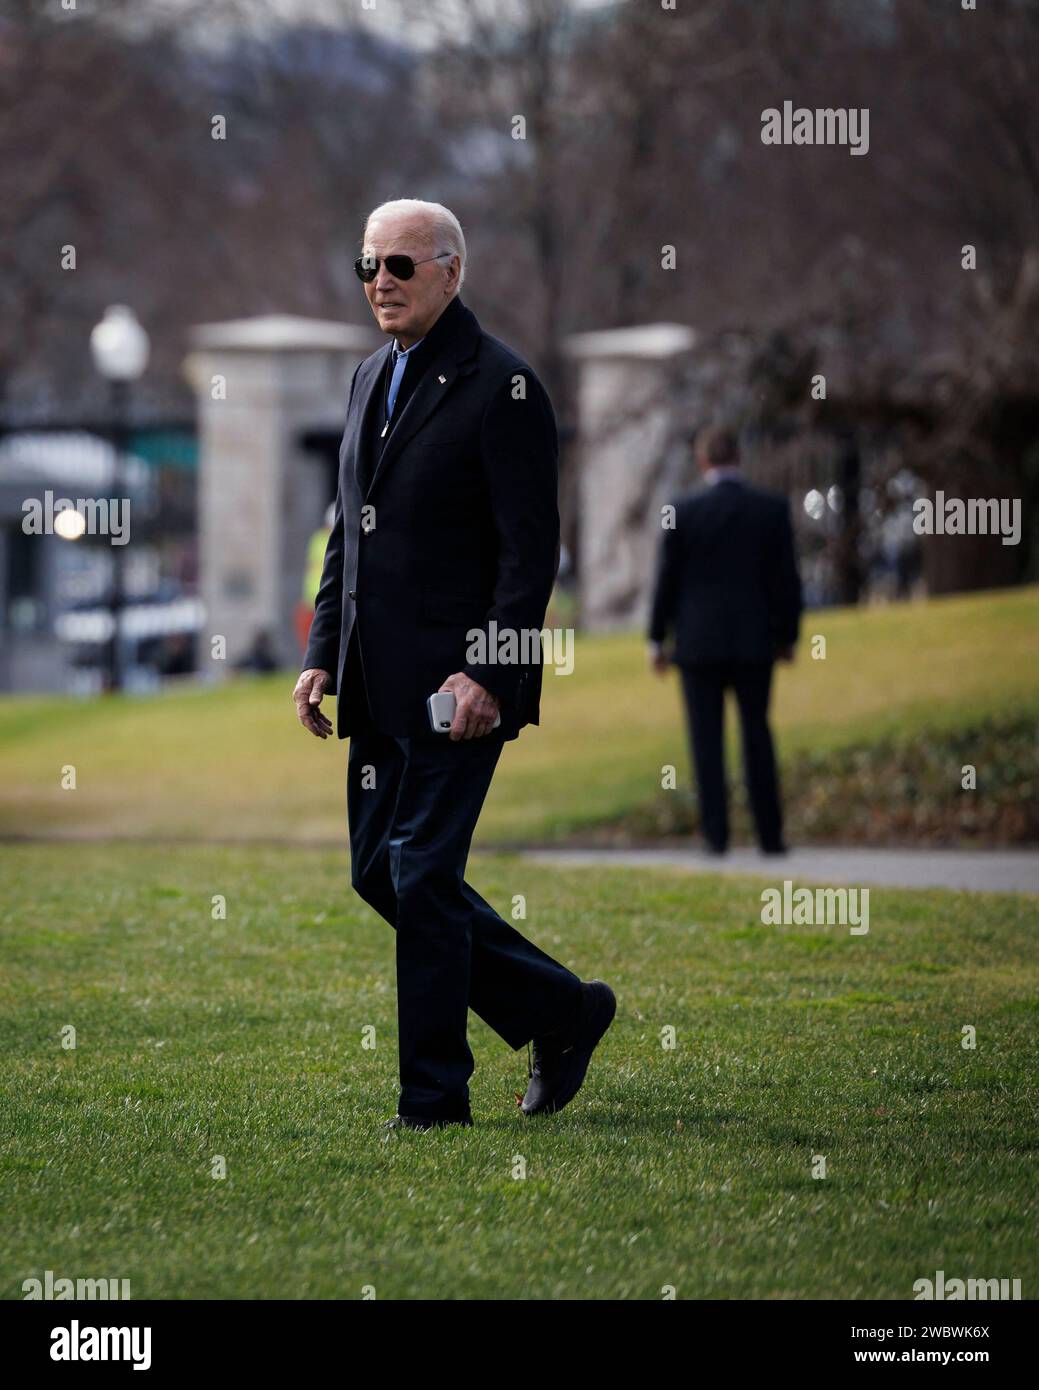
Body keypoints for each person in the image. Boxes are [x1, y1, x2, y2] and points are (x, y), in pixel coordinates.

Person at [292, 199, 614, 1131]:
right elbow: (344, 536)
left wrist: (489, 672)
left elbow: (530, 554)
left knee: (422, 875)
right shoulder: (365, 378)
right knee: (378, 874)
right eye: (367, 267)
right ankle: (563, 1011)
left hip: (459, 687)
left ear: (451, 271)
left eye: (399, 266)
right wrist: (320, 654)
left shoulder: (503, 386)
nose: (379, 283)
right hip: (373, 681)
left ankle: (432, 1103)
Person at [648, 425, 803, 856]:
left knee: (706, 741)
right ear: (739, 457)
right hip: (755, 643)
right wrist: (787, 635)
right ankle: (770, 836)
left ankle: (716, 837)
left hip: (697, 647)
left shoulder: (682, 511)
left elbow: (667, 582)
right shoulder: (770, 509)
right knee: (757, 735)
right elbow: (786, 580)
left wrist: (656, 640)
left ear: (703, 462)